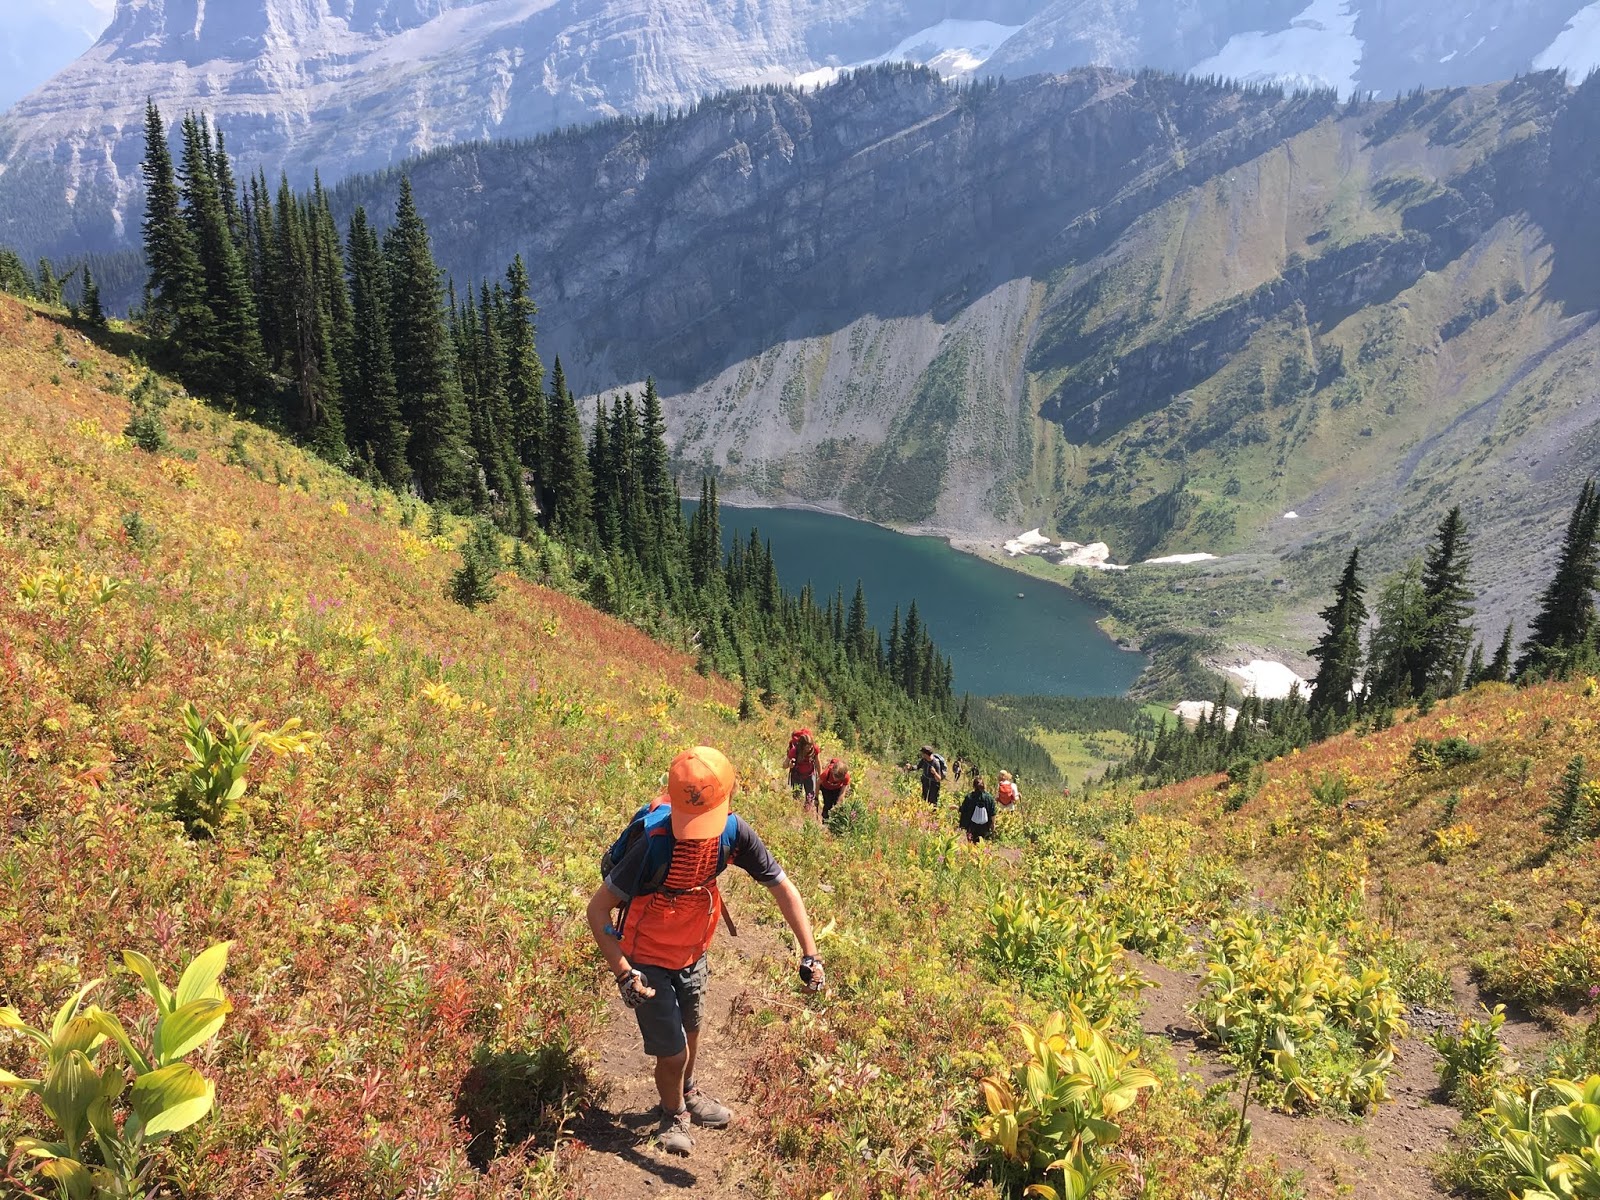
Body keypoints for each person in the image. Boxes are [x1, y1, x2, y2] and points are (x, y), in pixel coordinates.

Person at [586, 746, 824, 1158]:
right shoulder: (653, 843)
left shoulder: (733, 832)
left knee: (692, 1030)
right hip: (645, 957)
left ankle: (690, 1092)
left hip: (693, 949)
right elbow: (597, 910)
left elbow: (783, 888)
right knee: (673, 1049)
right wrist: (624, 972)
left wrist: (810, 952)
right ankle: (673, 1112)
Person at [785, 727, 821, 815]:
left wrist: (820, 776)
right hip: (797, 775)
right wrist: (789, 765)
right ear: (802, 746)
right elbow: (784, 764)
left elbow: (817, 762)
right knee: (797, 795)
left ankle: (806, 813)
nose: (809, 749)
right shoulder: (794, 750)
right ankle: (796, 814)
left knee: (810, 796)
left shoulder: (814, 749)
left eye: (810, 746)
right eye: (807, 747)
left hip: (810, 774)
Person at [960, 774, 997, 843]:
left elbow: (964, 810)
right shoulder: (989, 798)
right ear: (984, 786)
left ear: (973, 786)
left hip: (972, 826)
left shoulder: (969, 797)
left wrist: (963, 825)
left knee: (971, 843)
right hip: (985, 826)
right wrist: (993, 825)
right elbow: (993, 813)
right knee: (981, 844)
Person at [818, 756, 851, 822]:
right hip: (826, 788)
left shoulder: (846, 777)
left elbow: (843, 791)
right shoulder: (826, 773)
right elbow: (818, 783)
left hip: (837, 789)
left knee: (837, 805)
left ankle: (834, 822)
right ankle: (825, 821)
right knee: (828, 804)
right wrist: (816, 797)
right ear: (832, 772)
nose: (836, 779)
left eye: (839, 778)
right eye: (835, 776)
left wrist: (838, 803)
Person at [917, 743, 947, 808]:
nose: (921, 754)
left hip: (934, 785)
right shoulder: (924, 760)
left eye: (922, 753)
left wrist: (935, 773)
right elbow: (918, 767)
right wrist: (910, 767)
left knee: (933, 803)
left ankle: (933, 816)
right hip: (925, 782)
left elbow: (939, 779)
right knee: (924, 799)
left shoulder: (936, 763)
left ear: (926, 754)